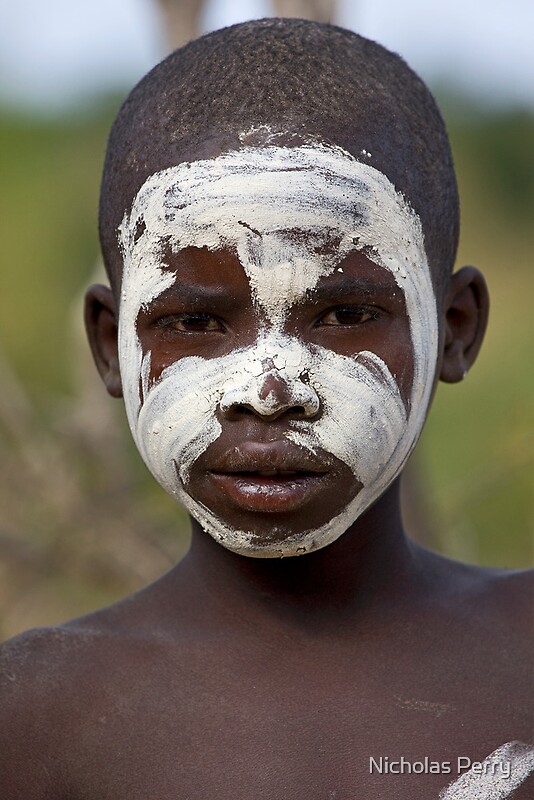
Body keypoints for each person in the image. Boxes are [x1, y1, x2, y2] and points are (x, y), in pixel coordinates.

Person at [1, 19, 532, 799]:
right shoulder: (37, 717)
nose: (269, 389)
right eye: (194, 322)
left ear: (454, 329)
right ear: (112, 346)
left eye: (344, 315)